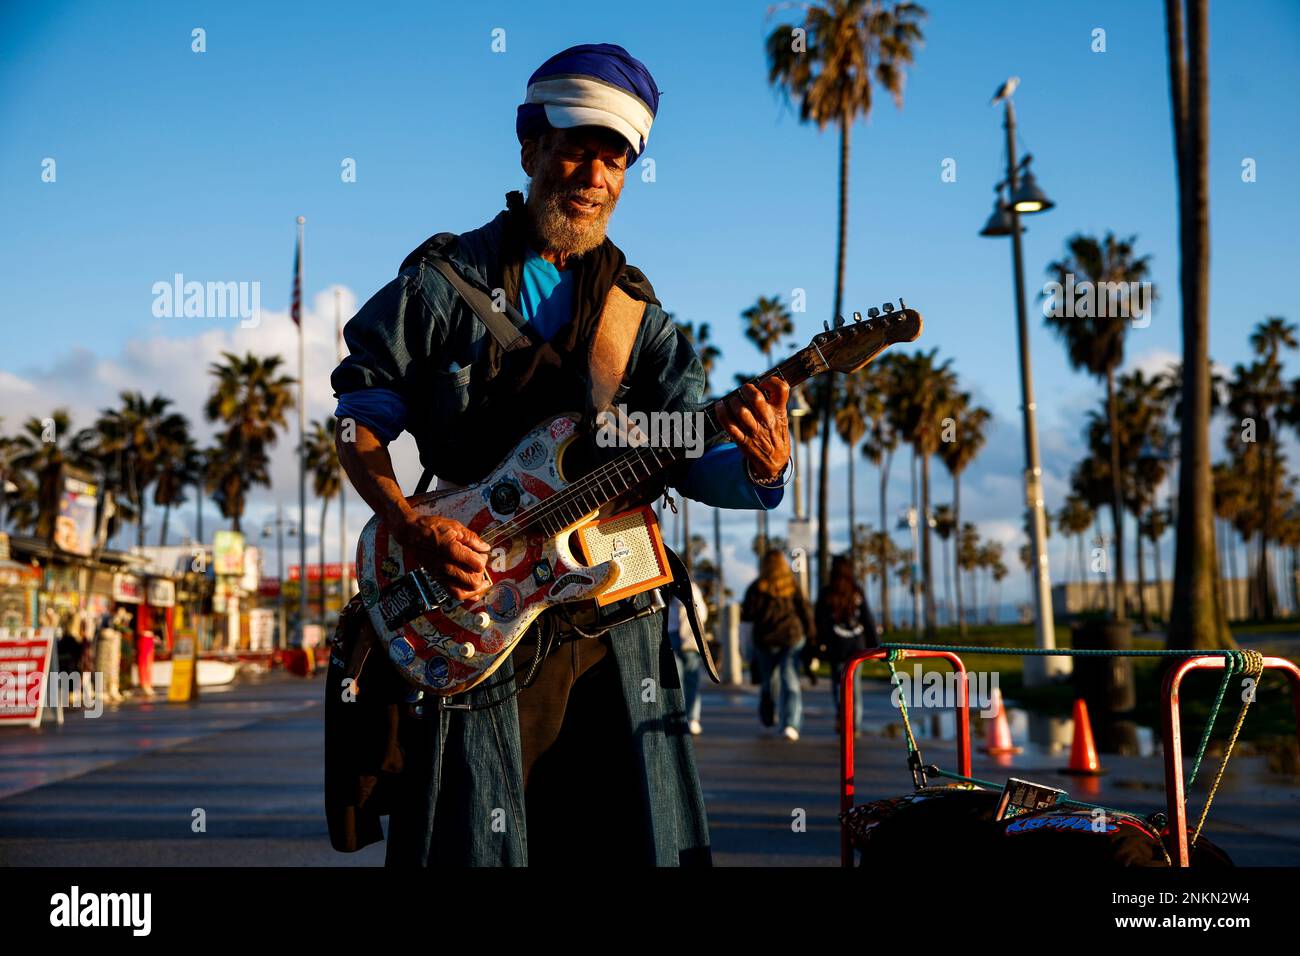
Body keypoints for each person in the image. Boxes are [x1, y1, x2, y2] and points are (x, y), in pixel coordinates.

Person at [330, 43, 792, 867]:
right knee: (480, 840)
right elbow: (356, 421)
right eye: (576, 144)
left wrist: (760, 471)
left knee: (621, 836)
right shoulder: (443, 283)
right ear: (530, 145)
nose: (593, 173)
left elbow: (685, 455)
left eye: (615, 156)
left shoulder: (638, 316)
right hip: (477, 606)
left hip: (619, 623)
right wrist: (404, 523)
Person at [741, 550, 814, 741]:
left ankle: (779, 719)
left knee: (774, 681)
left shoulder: (756, 588)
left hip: (771, 641)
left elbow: (746, 622)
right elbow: (806, 613)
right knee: (788, 681)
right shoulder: (792, 587)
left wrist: (746, 649)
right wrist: (812, 637)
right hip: (790, 637)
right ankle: (789, 723)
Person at [816, 554, 878, 735]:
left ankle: (842, 717)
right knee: (854, 685)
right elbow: (867, 619)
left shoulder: (827, 592)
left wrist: (819, 644)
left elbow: (819, 621)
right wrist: (874, 645)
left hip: (835, 645)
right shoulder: (856, 591)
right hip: (856, 645)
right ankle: (854, 724)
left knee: (838, 683)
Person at [668, 579, 708, 736]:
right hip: (683, 636)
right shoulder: (689, 586)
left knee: (681, 681)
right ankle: (688, 718)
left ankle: (684, 717)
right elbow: (701, 614)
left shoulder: (671, 588)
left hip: (677, 636)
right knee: (686, 681)